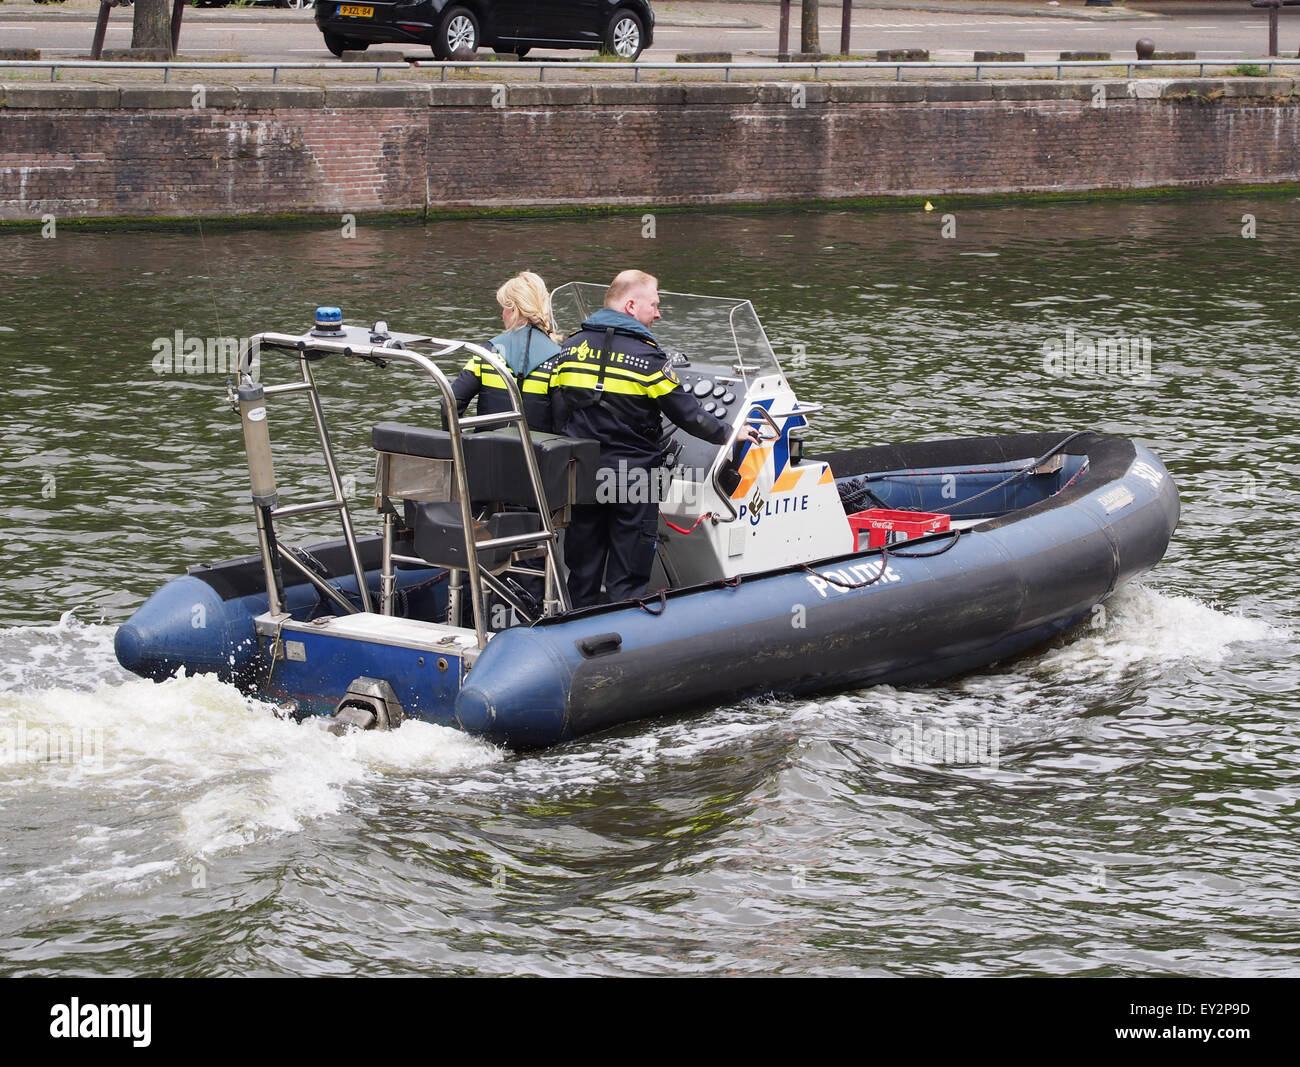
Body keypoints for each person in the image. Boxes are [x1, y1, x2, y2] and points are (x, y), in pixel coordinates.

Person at [549, 269, 760, 608]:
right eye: (654, 304)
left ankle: (577, 628)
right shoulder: (646, 358)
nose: (658, 313)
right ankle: (624, 633)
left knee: (583, 561)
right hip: (634, 476)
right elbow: (686, 413)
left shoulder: (570, 347)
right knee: (628, 568)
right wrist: (730, 433)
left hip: (583, 472)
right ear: (631, 305)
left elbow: (559, 409)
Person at [447, 271, 561, 434]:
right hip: (537, 457)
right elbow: (563, 422)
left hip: (485, 454)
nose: (502, 315)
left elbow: (449, 404)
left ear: (512, 310)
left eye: (503, 308)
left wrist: (458, 448)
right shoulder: (558, 360)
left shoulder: (485, 354)